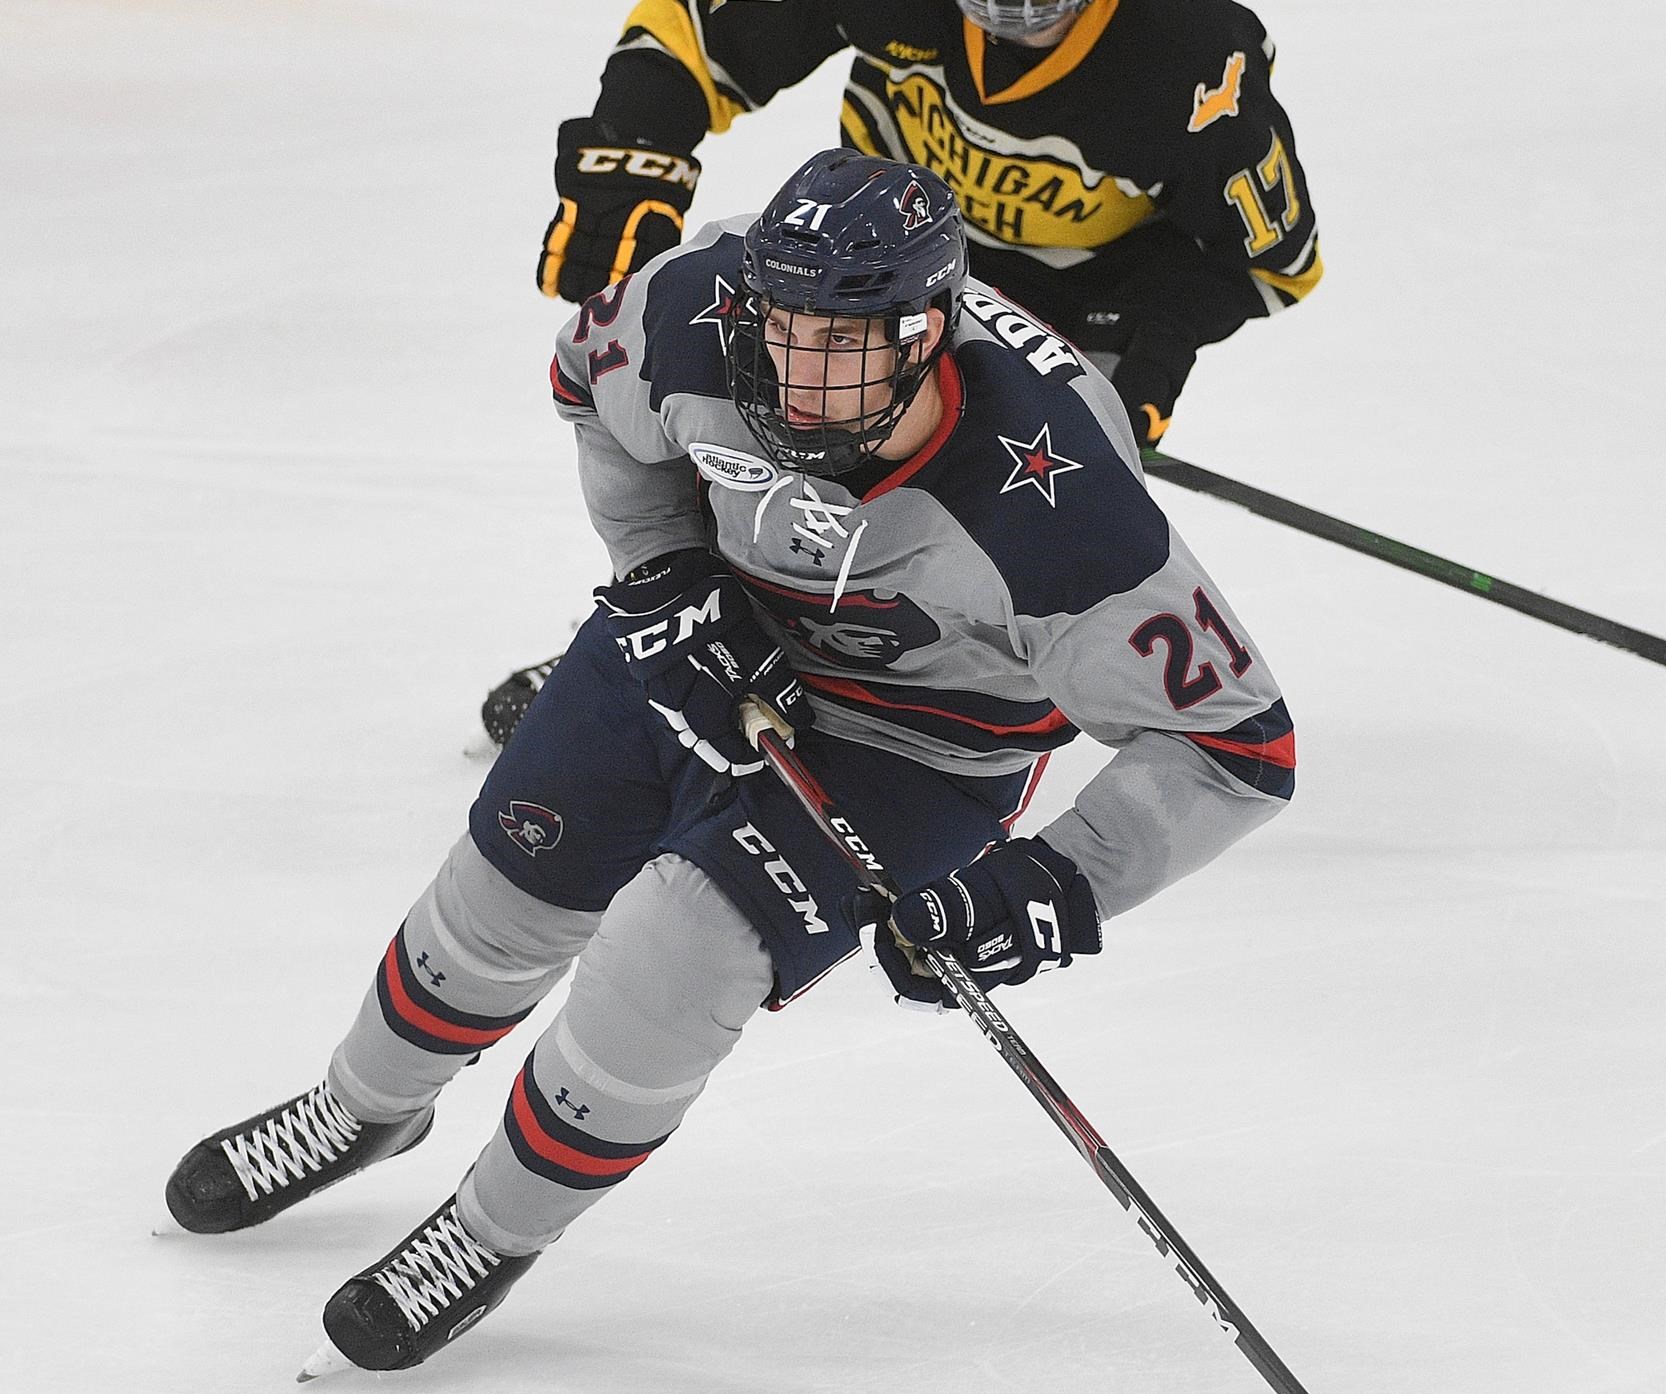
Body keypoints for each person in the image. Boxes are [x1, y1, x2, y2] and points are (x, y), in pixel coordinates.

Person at [164, 151, 1296, 1376]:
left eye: (843, 341)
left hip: (916, 745)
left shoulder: (1065, 507)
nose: (798, 375)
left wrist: (1053, 882)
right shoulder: (698, 307)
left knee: (669, 956)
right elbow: (586, 386)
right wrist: (663, 568)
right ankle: (362, 1108)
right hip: (705, 631)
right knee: (498, 897)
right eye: (784, 329)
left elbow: (1234, 746)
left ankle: (489, 1231)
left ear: (930, 330)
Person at [480, 0, 1325, 747]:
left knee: (995, 516)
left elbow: (1273, 261)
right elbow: (701, 35)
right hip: (865, 277)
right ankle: (682, 629)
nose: (1014, 13)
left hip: (1066, 312)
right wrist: (635, 148)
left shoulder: (1196, 57)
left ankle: (933, 711)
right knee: (772, 429)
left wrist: (1146, 356)